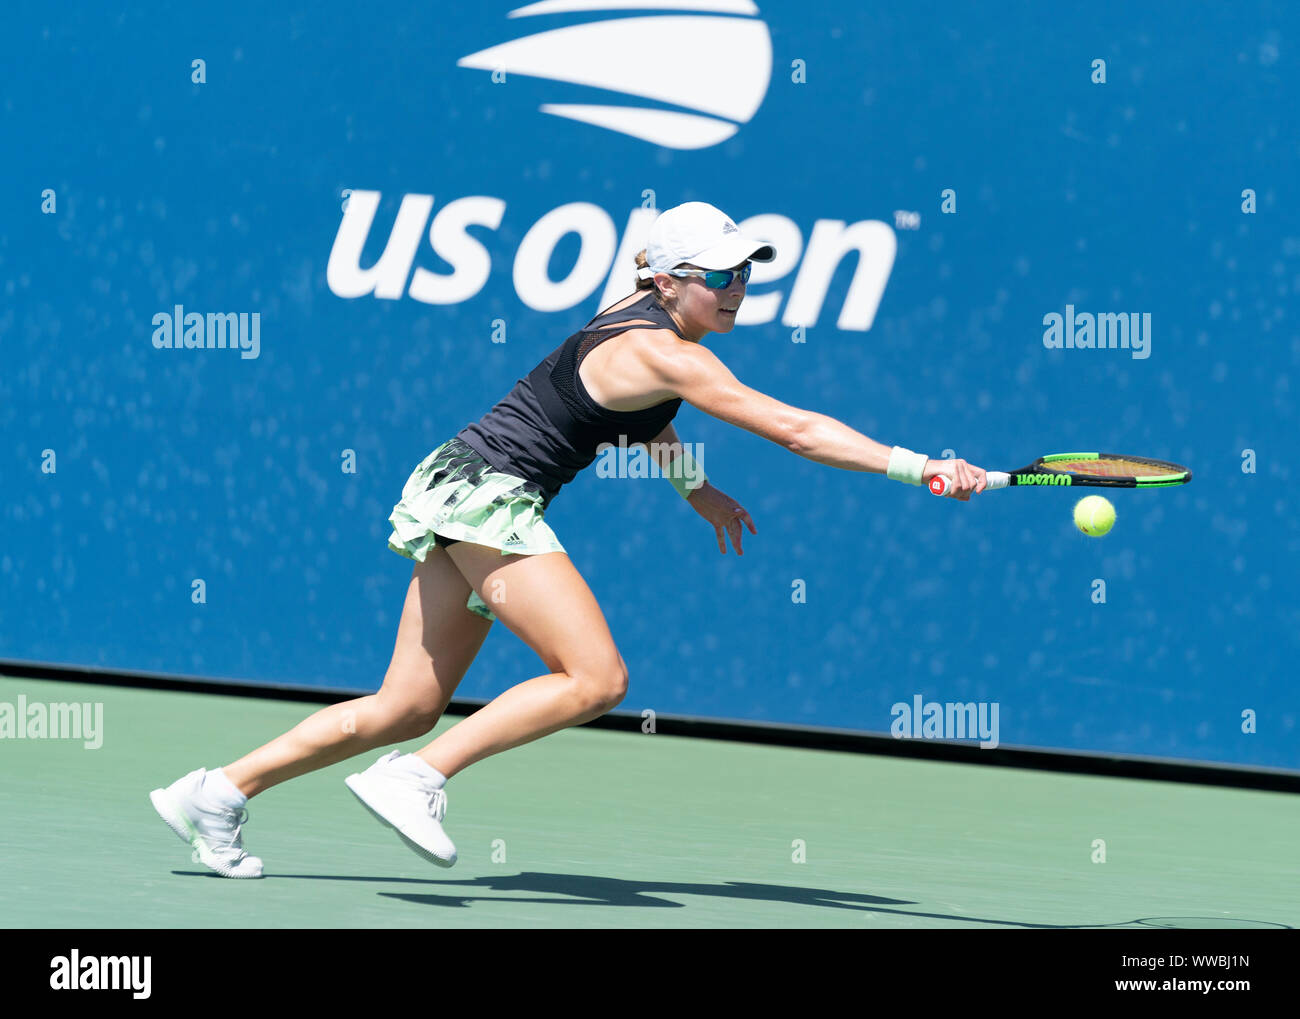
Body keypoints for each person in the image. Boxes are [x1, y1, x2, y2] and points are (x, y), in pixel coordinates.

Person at [149, 201, 987, 878]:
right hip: (488, 497)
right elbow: (795, 428)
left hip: (454, 482)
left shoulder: (635, 318)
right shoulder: (676, 356)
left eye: (745, 273)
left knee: (404, 704)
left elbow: (640, 416)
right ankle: (416, 774)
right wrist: (919, 467)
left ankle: (217, 791)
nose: (738, 289)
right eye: (721, 276)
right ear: (666, 282)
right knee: (595, 678)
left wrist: (697, 490)